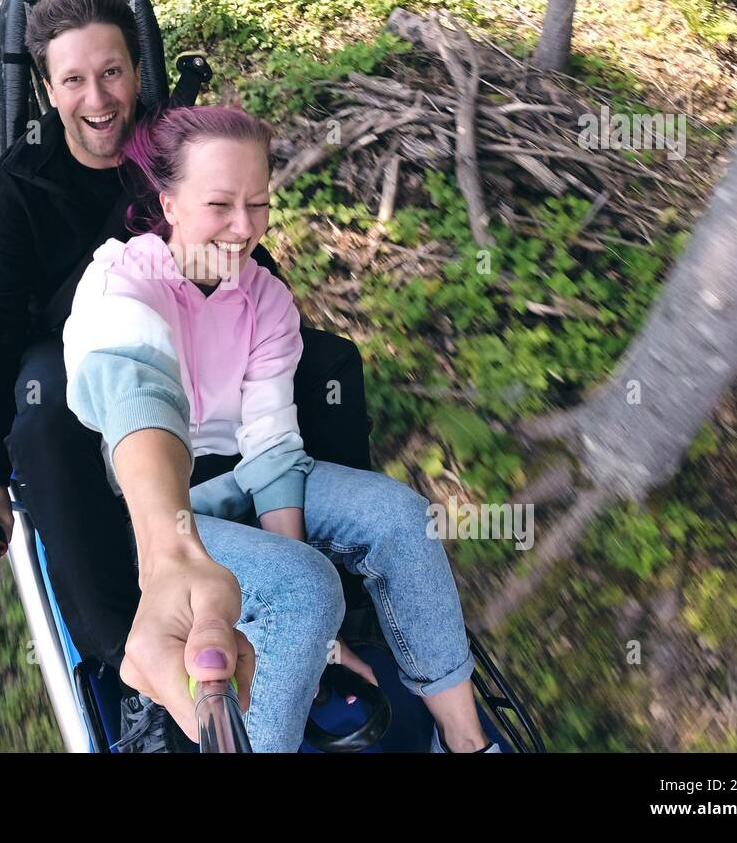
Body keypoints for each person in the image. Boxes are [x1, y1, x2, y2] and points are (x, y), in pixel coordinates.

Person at [0, 0, 373, 747]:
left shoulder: (170, 152)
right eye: (74, 80)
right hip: (81, 359)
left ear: (137, 72)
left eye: (111, 72)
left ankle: (337, 610)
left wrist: (279, 347)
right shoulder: (20, 186)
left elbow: (241, 244)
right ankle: (131, 665)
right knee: (41, 408)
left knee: (329, 362)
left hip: (194, 325)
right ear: (48, 88)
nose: (97, 98)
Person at [62, 104, 500, 753]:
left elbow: (271, 444)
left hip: (242, 473)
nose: (244, 228)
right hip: (167, 500)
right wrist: (169, 550)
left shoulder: (265, 297)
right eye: (220, 204)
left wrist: (319, 623)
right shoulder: (122, 281)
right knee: (303, 585)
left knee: (402, 516)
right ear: (170, 201)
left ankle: (465, 740)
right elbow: (136, 385)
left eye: (258, 204)